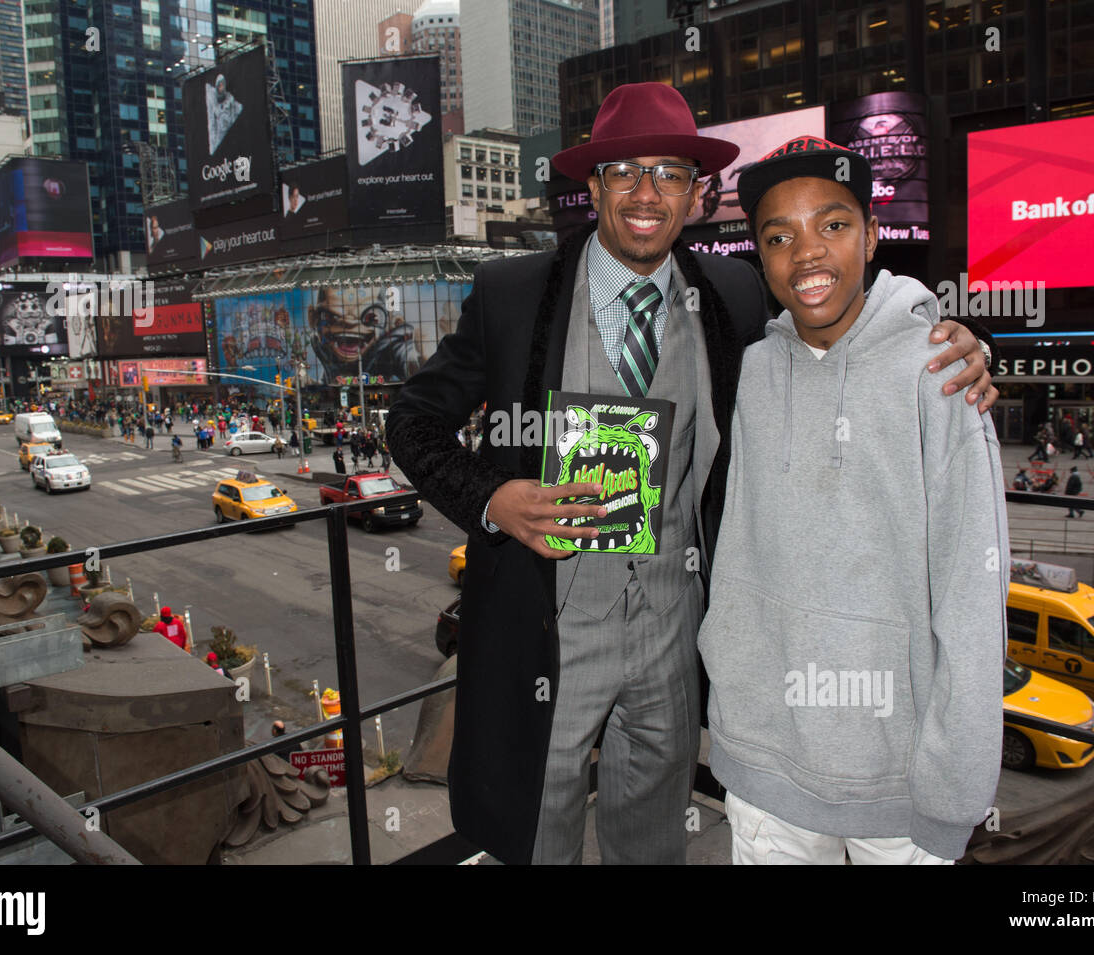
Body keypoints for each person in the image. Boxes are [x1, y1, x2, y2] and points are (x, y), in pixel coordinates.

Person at [385, 84, 997, 866]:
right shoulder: (514, 294)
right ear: (595, 186)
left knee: (652, 847)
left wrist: (948, 336)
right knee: (537, 841)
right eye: (626, 172)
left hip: (675, 640)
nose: (647, 194)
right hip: (552, 639)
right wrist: (491, 500)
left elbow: (836, 329)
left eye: (670, 173)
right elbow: (411, 420)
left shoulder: (731, 295)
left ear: (696, 194)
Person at [690, 137, 1008, 866]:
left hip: (898, 798)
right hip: (763, 776)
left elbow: (972, 592)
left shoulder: (940, 374)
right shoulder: (752, 372)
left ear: (871, 233)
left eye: (831, 224)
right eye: (779, 235)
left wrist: (953, 794)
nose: (806, 253)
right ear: (758, 254)